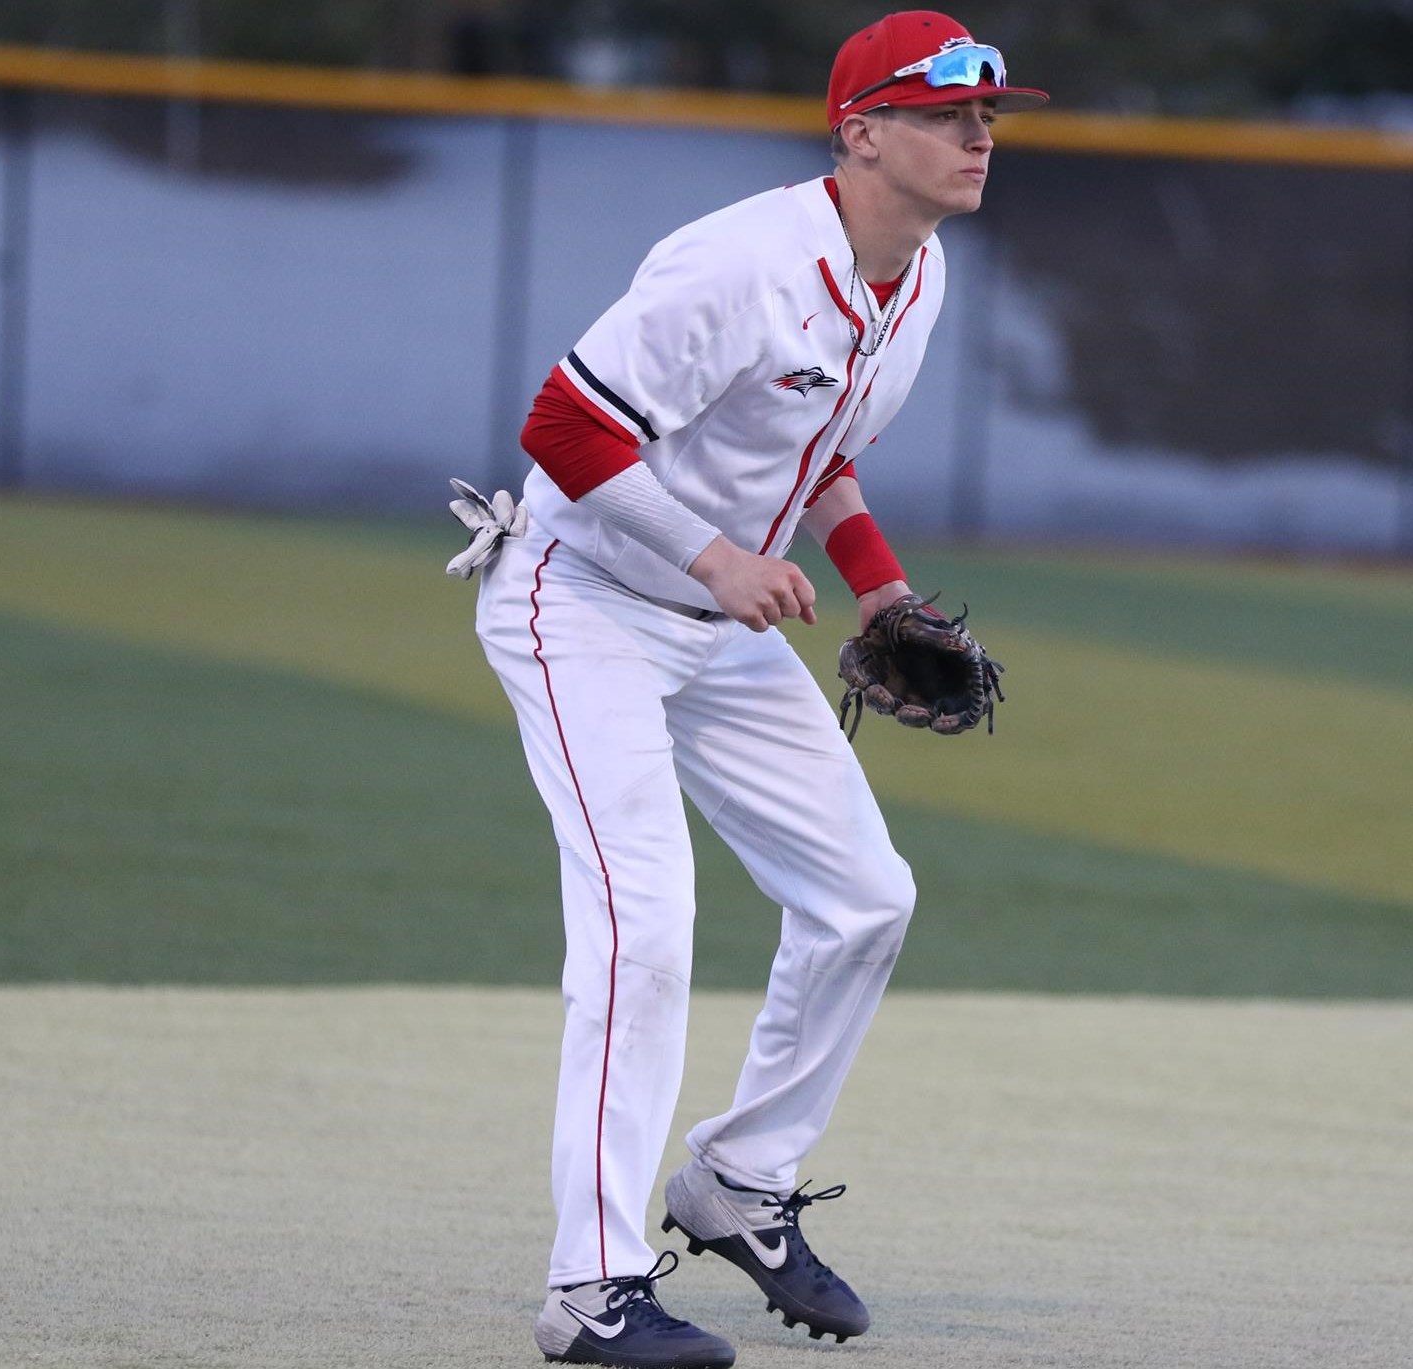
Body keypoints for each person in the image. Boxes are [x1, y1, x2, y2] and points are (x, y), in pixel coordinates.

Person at [455, 14, 1046, 1368]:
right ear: (861, 132)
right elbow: (561, 420)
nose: (980, 136)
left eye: (991, 114)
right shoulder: (742, 262)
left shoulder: (920, 276)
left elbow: (823, 454)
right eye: (948, 112)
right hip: (582, 600)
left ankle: (736, 1179)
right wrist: (716, 556)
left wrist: (880, 589)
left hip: (715, 623)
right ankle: (588, 1290)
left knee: (864, 899)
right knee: (645, 931)